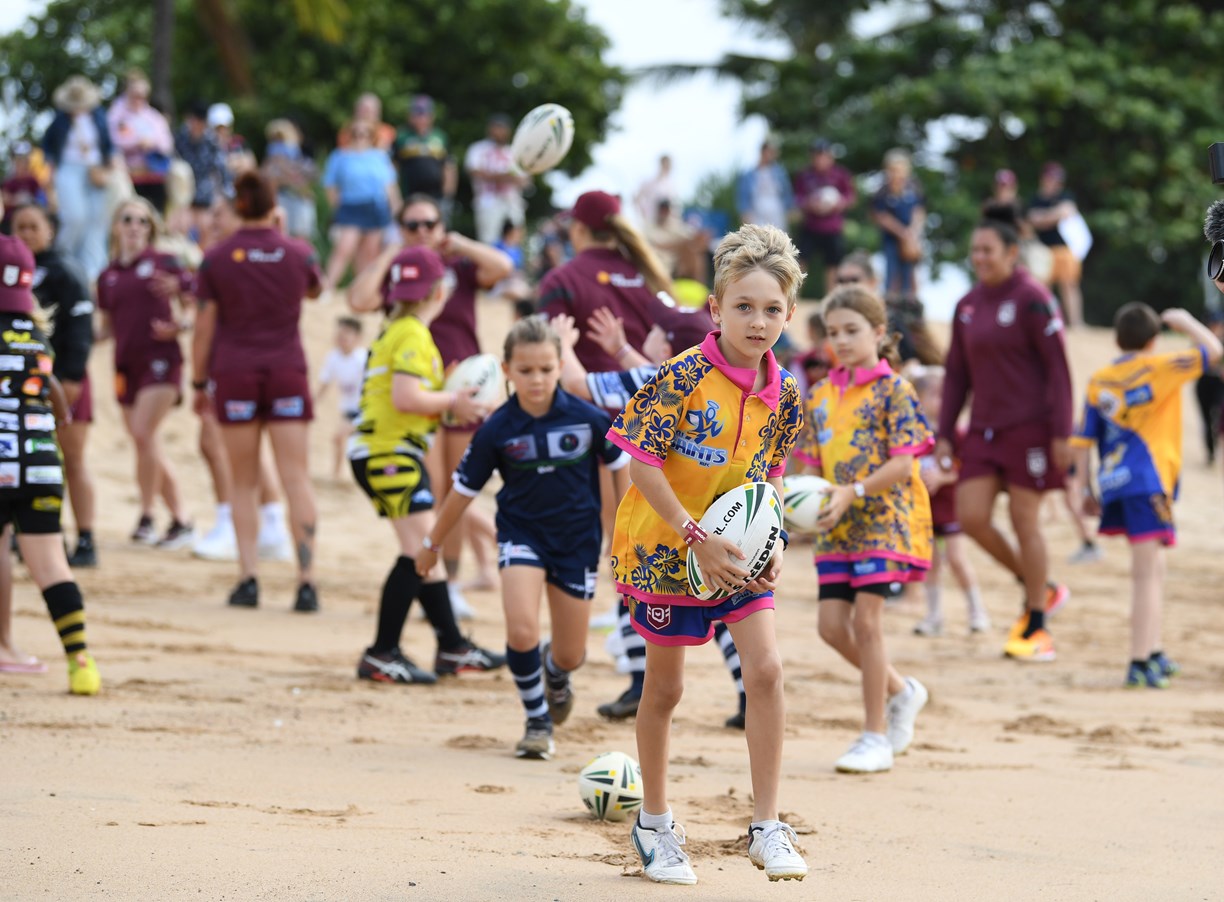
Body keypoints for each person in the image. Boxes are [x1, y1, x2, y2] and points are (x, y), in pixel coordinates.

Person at [610, 224, 808, 885]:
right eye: (744, 306)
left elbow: (770, 475)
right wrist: (695, 534)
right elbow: (641, 466)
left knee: (767, 672)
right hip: (666, 551)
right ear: (716, 308)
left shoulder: (786, 393)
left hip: (740, 552)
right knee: (665, 690)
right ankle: (655, 824)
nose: (758, 322)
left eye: (772, 309)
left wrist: (774, 538)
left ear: (789, 314)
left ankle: (768, 825)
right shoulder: (680, 378)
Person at [417, 318, 628, 756]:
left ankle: (556, 673)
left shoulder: (588, 418)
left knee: (571, 655)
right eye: (526, 370)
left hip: (577, 543)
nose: (537, 379)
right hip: (521, 536)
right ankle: (537, 721)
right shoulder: (497, 428)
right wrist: (432, 543)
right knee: (521, 629)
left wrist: (624, 533)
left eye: (546, 369)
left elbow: (620, 465)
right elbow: (462, 490)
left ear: (559, 367)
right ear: (506, 370)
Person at [550, 312, 748, 727]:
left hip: (660, 518)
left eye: (654, 331)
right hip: (717, 515)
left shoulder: (662, 377)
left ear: (667, 346)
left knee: (634, 593)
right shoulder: (704, 380)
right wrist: (620, 348)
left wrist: (563, 344)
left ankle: (639, 682)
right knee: (720, 599)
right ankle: (746, 689)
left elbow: (577, 383)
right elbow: (645, 365)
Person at [347, 245, 503, 684]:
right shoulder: (414, 334)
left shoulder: (398, 329)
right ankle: (381, 653)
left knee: (424, 549)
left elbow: (410, 398)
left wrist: (446, 394)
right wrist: (453, 399)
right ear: (440, 292)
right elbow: (406, 398)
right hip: (389, 454)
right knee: (419, 550)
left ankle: (451, 645)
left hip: (387, 451)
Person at [350, 193, 512, 613]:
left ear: (441, 225)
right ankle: (439, 582)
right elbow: (358, 300)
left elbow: (503, 267)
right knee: (432, 490)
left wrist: (459, 244)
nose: (422, 231)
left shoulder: (456, 267)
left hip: (459, 387)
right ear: (401, 229)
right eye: (412, 225)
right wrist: (392, 253)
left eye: (429, 224)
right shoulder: (400, 275)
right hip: (419, 394)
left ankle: (450, 584)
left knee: (458, 488)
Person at [795, 285, 931, 773]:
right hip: (837, 525)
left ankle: (874, 736)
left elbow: (903, 463)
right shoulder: (819, 395)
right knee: (831, 628)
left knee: (867, 624)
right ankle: (902, 690)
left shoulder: (895, 390)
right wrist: (802, 507)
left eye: (851, 331)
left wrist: (854, 491)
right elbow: (810, 467)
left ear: (878, 332)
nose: (841, 341)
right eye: (833, 333)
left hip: (885, 519)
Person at [936, 208, 1074, 662]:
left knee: (1023, 520)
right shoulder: (966, 305)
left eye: (988, 250)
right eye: (974, 250)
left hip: (1031, 429)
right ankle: (1041, 586)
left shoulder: (1033, 297)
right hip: (983, 430)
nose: (979, 257)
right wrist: (945, 433)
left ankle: (1037, 622)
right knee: (971, 517)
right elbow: (956, 375)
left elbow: (1058, 368)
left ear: (1012, 252)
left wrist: (1061, 431)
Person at [191, 171, 322, 612]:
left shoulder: (217, 258)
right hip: (286, 368)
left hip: (235, 371)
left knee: (243, 480)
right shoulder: (297, 252)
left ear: (238, 206)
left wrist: (198, 382)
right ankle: (306, 582)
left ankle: (249, 578)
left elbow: (203, 328)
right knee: (295, 477)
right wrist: (280, 237)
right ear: (274, 206)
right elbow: (316, 290)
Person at [1072, 304, 1222, 687]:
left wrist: (1085, 488)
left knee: (1155, 568)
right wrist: (1186, 323)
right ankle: (1139, 661)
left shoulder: (1100, 379)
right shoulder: (1160, 367)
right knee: (1146, 576)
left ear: (1116, 339)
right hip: (1148, 482)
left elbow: (1082, 441)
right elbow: (1214, 351)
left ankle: (1153, 650)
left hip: (1115, 482)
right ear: (1153, 341)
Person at [0, 216, 100, 694]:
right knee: (52, 564)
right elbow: (56, 395)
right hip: (40, 459)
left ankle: (4, 644)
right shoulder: (36, 335)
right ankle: (80, 662)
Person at [95, 198, 194, 547]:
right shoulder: (107, 276)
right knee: (144, 441)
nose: (135, 226)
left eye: (142, 220)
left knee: (142, 432)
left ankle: (148, 515)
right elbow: (107, 327)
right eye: (128, 219)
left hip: (161, 358)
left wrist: (181, 325)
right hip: (125, 364)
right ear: (116, 226)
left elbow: (194, 303)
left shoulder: (165, 262)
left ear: (151, 228)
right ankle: (181, 519)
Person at [538, 190, 713, 374]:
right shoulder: (649, 273)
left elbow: (549, 352)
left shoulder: (561, 279)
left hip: (587, 389)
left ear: (579, 229)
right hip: (652, 389)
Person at [11, 204, 98, 567]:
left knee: (72, 458)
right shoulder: (11, 271)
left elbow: (82, 326)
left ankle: (87, 537)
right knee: (25, 457)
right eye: (20, 227)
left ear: (50, 229)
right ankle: (33, 533)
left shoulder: (66, 270)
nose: (27, 233)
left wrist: (72, 376)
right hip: (21, 384)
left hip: (64, 378)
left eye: (34, 226)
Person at [906, 365, 988, 636]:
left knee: (957, 559)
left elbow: (967, 470)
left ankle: (977, 611)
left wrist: (942, 478)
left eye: (944, 395)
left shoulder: (957, 435)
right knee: (930, 563)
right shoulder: (914, 435)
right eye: (934, 395)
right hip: (924, 510)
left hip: (951, 508)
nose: (940, 402)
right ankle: (933, 616)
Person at [40, 76, 113, 283]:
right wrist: (50, 173)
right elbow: (48, 147)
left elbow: (108, 145)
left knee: (96, 221)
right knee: (75, 217)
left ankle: (93, 272)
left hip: (95, 170)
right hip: (68, 169)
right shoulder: (61, 119)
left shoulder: (98, 115)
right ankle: (61, 260)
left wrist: (109, 167)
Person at [322, 121, 400, 289]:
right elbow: (330, 185)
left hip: (375, 207)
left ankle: (363, 290)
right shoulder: (340, 156)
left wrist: (396, 209)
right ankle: (327, 288)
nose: (360, 137)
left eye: (364, 134)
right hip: (350, 207)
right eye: (356, 133)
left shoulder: (379, 157)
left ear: (371, 136)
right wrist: (337, 207)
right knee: (344, 249)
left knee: (369, 253)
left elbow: (389, 186)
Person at [792, 138, 855, 293]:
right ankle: (794, 296)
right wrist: (809, 203)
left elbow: (850, 197)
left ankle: (831, 297)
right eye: (817, 155)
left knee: (833, 264)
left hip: (832, 227)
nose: (820, 159)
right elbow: (797, 197)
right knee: (799, 261)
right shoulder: (805, 175)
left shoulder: (840, 174)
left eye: (824, 155)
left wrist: (839, 203)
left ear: (830, 157)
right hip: (810, 225)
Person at [107, 69, 173, 213]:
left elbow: (167, 144)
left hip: (154, 169)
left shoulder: (153, 117)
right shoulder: (117, 114)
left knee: (181, 173)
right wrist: (137, 142)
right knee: (117, 178)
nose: (139, 99)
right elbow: (113, 141)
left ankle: (172, 220)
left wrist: (152, 143)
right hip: (126, 169)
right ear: (127, 93)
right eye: (135, 95)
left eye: (142, 96)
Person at [1027, 162, 1084, 328]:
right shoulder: (1035, 199)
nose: (1055, 183)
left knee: (1069, 285)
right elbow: (1032, 219)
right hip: (1043, 250)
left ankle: (1075, 323)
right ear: (1044, 179)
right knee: (1044, 288)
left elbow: (1067, 211)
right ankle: (1049, 322)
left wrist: (1043, 217)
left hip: (1064, 249)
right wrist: (1054, 215)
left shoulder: (1065, 196)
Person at [315, 316, 368, 481]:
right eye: (339, 333)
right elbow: (325, 382)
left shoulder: (363, 358)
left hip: (365, 409)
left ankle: (339, 475)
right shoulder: (333, 357)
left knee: (340, 438)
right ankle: (338, 475)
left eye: (347, 333)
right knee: (342, 440)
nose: (342, 337)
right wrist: (313, 402)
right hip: (348, 409)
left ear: (357, 338)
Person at [870, 148, 926, 301]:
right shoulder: (882, 192)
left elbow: (919, 211)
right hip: (891, 239)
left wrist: (913, 233)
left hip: (910, 238)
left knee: (909, 273)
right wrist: (903, 233)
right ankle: (890, 302)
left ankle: (908, 303)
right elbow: (882, 217)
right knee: (891, 271)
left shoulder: (914, 188)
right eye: (893, 170)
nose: (897, 174)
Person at [464, 113, 528, 245]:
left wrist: (500, 177)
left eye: (502, 128)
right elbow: (475, 171)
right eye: (496, 127)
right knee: (488, 242)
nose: (499, 131)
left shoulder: (514, 151)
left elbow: (525, 180)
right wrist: (506, 177)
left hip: (512, 203)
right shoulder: (478, 148)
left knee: (514, 240)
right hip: (487, 202)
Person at [392, 95, 456, 212]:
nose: (421, 118)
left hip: (437, 196)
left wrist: (448, 195)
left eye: (424, 114)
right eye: (417, 114)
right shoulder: (401, 137)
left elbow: (449, 167)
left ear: (432, 116)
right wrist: (396, 195)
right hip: (409, 195)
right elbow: (394, 167)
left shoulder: (441, 137)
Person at [174, 101, 226, 242]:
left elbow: (221, 170)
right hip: (183, 193)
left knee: (206, 227)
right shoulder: (180, 138)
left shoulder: (212, 141)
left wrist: (222, 195)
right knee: (181, 226)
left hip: (205, 194)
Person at [262, 119, 317, 243]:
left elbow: (310, 175)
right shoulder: (275, 153)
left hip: (296, 198)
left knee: (299, 235)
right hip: (284, 196)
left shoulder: (298, 153)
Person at [735, 140, 794, 231]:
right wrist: (744, 214)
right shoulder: (749, 175)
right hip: (757, 216)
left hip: (777, 215)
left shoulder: (780, 173)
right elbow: (743, 196)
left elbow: (786, 193)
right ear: (763, 152)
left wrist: (789, 209)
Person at [634, 154, 679, 223]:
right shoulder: (650, 182)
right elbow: (637, 198)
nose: (667, 167)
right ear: (661, 164)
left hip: (666, 223)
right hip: (652, 221)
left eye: (668, 165)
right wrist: (643, 213)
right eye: (665, 164)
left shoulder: (671, 185)